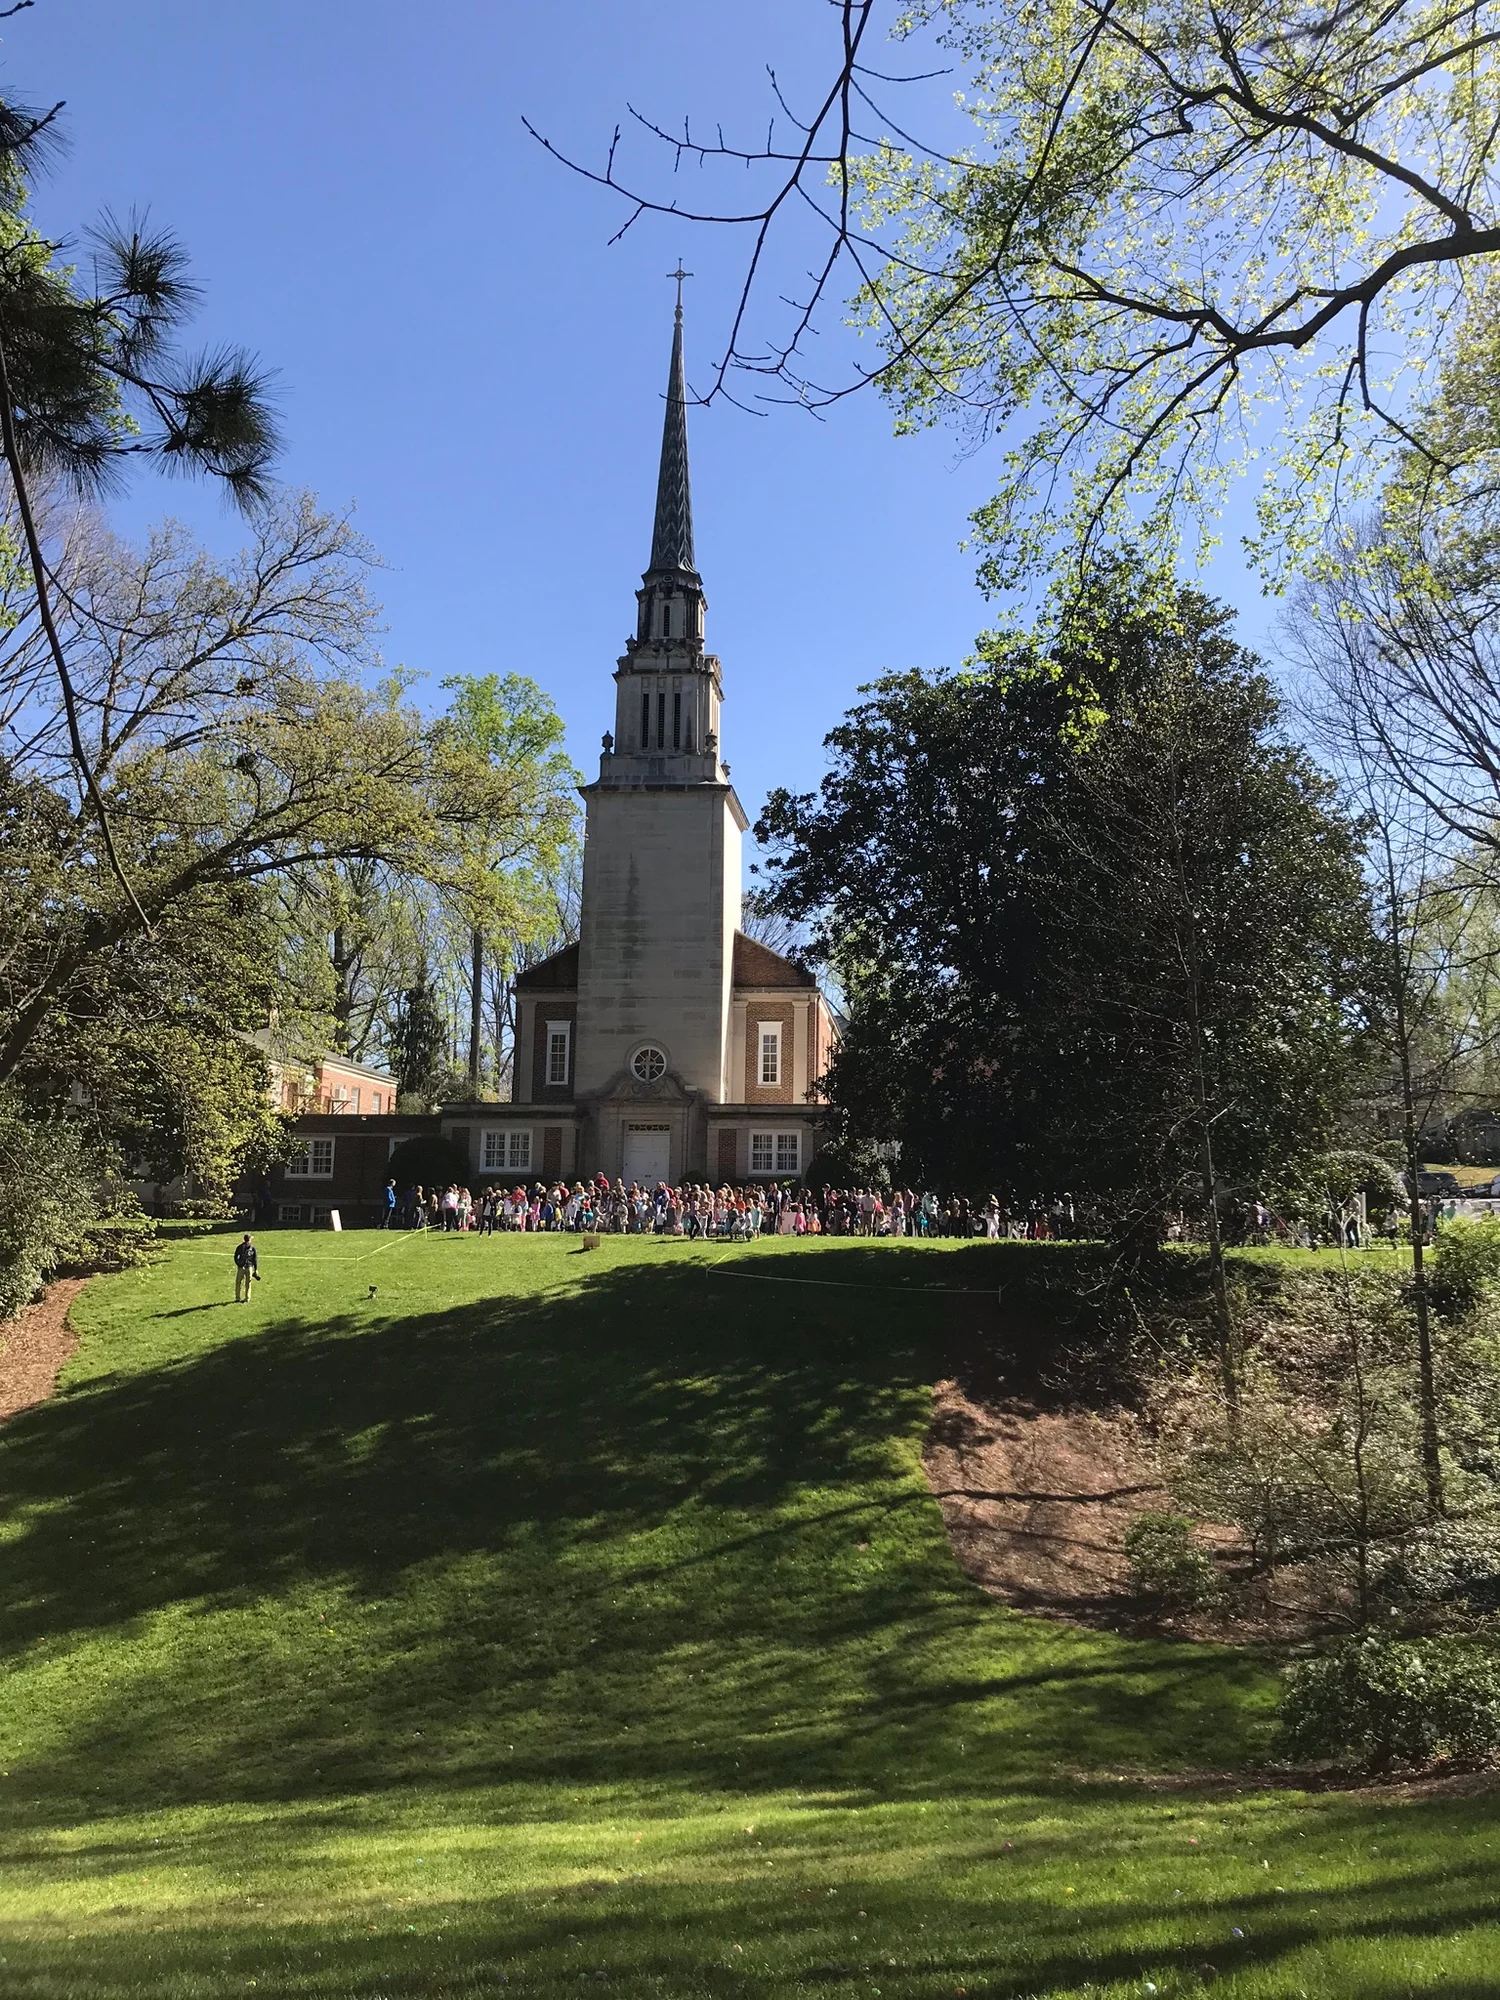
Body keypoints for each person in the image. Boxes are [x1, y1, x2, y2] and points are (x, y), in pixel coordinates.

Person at [232, 1233, 259, 1303]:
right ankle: (247, 1298)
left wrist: (238, 1264)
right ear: (249, 1239)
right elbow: (255, 1259)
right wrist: (256, 1269)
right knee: (248, 1283)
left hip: (241, 1267)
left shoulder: (240, 1247)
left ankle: (237, 1298)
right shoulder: (253, 1248)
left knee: (238, 1282)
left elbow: (235, 1256)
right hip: (249, 1267)